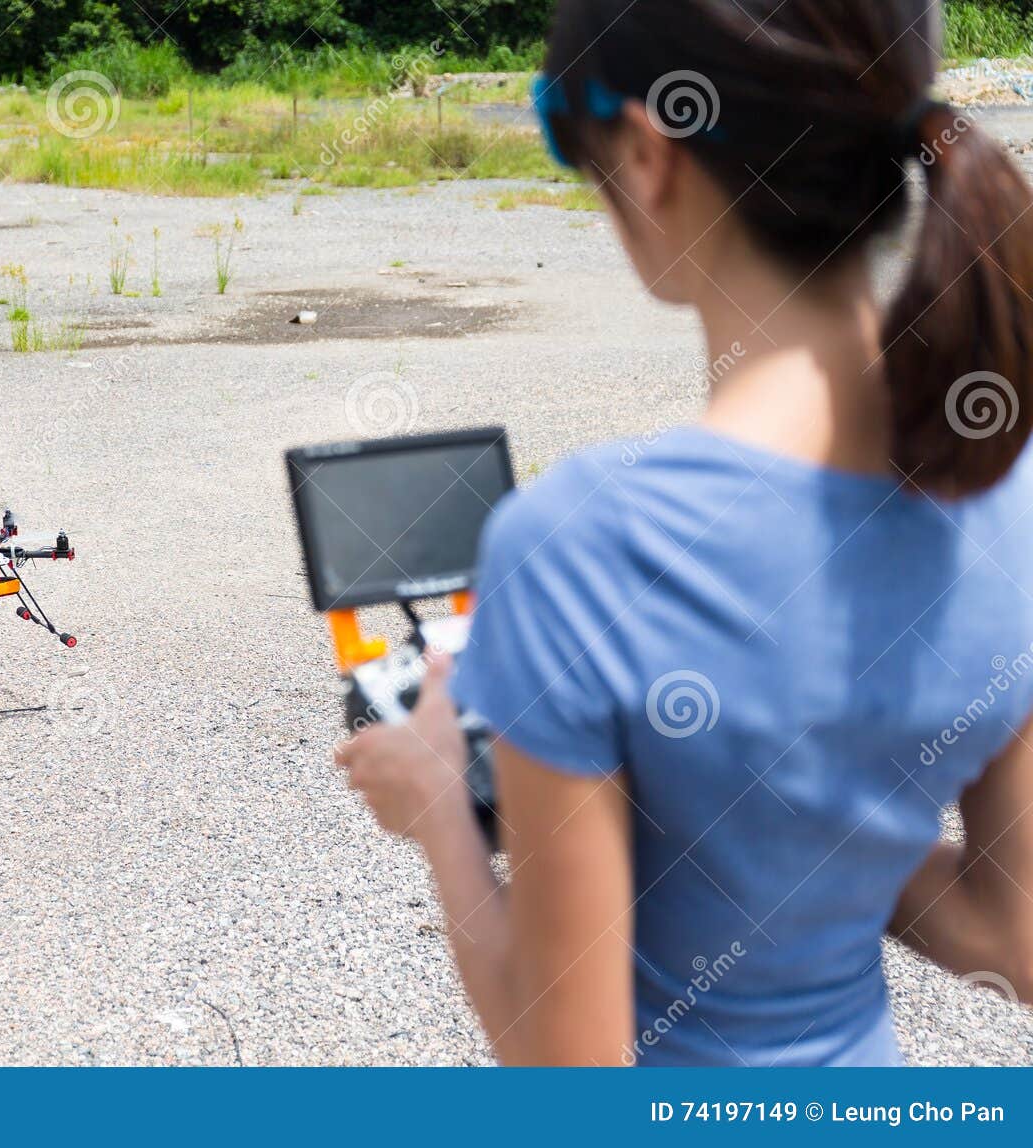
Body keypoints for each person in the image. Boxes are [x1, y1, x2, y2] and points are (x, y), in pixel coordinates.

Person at [336, 0, 1033, 1066]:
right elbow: (1008, 933)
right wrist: (809, 813)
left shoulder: (581, 543)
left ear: (651, 156)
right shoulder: (1005, 487)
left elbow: (567, 1069)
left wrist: (436, 803)